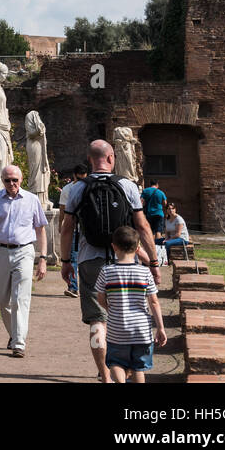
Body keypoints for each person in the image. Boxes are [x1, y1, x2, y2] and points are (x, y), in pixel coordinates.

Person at [59, 140, 160, 383]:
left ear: (89, 159)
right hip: (124, 260)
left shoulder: (77, 188)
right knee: (128, 312)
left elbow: (67, 227)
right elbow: (142, 226)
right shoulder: (126, 185)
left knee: (97, 319)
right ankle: (128, 368)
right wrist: (154, 262)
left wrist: (65, 261)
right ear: (112, 158)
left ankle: (106, 376)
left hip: (89, 259)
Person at [0, 165, 48, 357]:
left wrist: (42, 258)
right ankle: (14, 334)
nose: (11, 184)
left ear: (21, 179)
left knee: (20, 298)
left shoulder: (32, 200)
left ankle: (19, 343)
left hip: (24, 251)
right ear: (2, 180)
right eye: (7, 180)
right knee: (2, 299)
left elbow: (40, 229)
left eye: (14, 180)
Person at [95, 225, 166, 383]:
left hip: (117, 329)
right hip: (141, 330)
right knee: (138, 367)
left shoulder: (106, 271)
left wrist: (110, 308)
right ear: (138, 248)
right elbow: (154, 301)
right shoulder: (145, 272)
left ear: (113, 247)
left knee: (116, 362)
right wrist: (160, 328)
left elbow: (100, 297)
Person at [56, 164, 88, 296]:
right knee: (77, 258)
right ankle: (75, 287)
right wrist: (61, 224)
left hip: (82, 228)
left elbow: (63, 209)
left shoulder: (69, 189)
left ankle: (75, 287)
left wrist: (61, 224)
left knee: (78, 258)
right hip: (80, 228)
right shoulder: (87, 187)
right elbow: (63, 209)